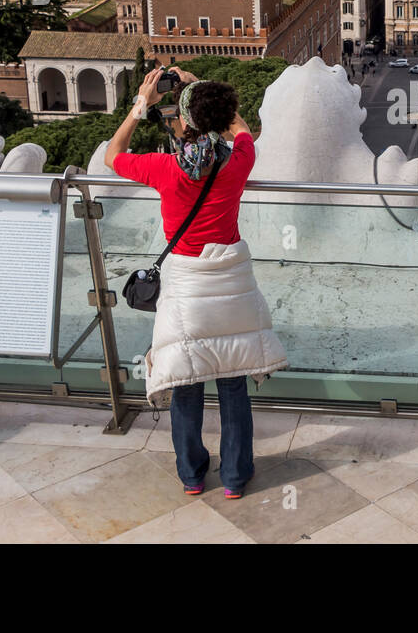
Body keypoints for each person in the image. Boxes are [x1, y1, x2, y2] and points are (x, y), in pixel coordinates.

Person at [104, 66, 288, 499]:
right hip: (231, 283)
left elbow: (112, 155)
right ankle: (235, 479)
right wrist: (200, 87)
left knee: (185, 384)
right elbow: (239, 126)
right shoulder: (240, 160)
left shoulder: (164, 169)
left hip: (185, 287)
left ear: (181, 121)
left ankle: (191, 476)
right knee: (232, 380)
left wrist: (141, 104)